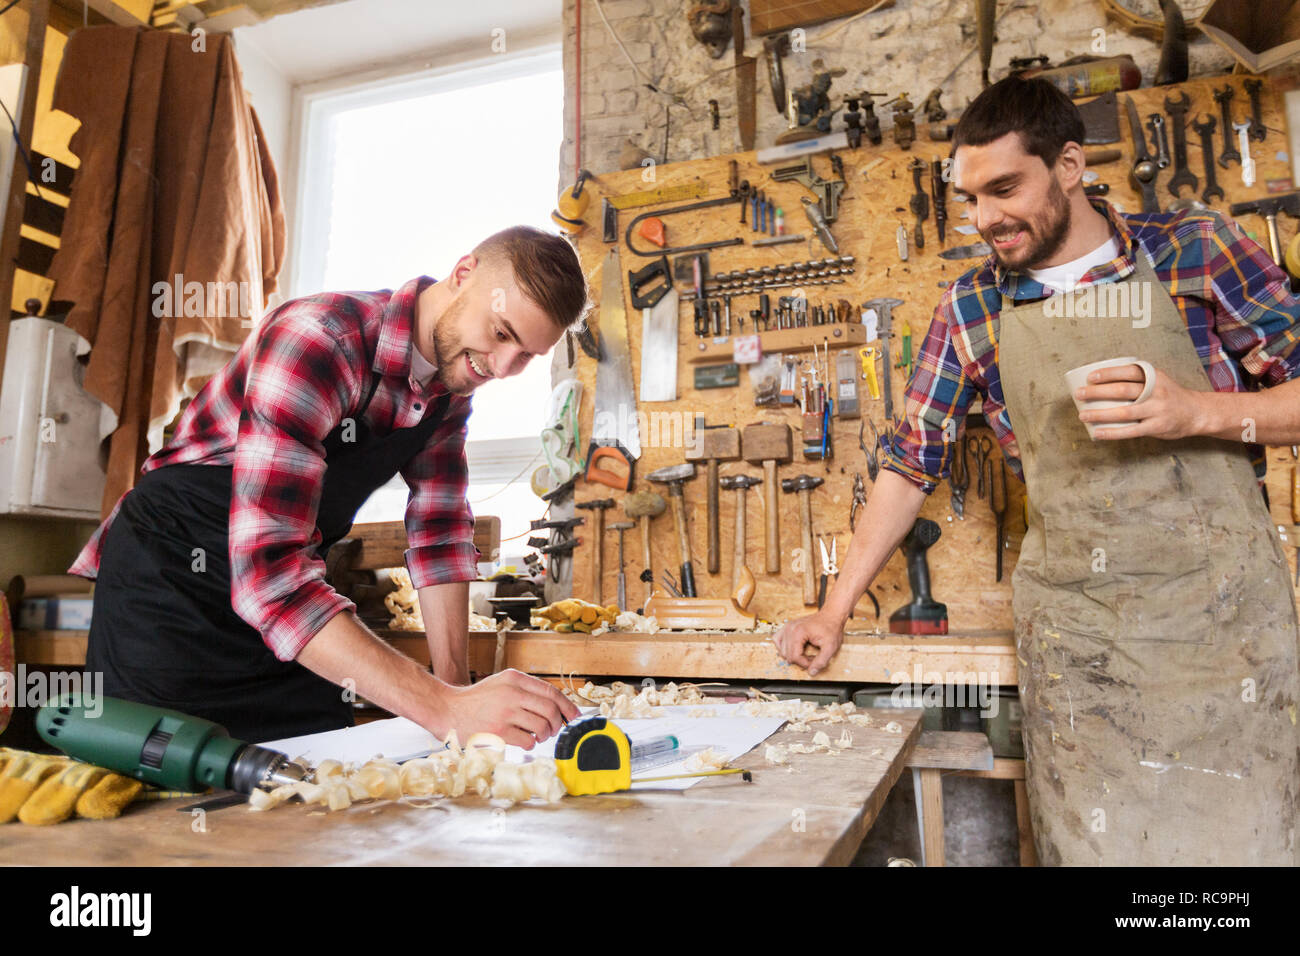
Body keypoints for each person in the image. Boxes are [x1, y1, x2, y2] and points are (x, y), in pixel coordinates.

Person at [775, 76, 1300, 865]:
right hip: (1082, 643)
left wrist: (1200, 414)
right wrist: (834, 608)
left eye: (1005, 188)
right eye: (970, 198)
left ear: (1070, 164)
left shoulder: (1198, 248)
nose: (986, 219)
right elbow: (909, 464)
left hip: (1222, 634)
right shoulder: (969, 307)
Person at [72, 225, 582, 745]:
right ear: (464, 273)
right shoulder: (317, 339)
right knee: (166, 792)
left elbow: (440, 535)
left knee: (315, 781)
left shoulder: (450, 388)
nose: (499, 367)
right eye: (500, 334)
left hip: (288, 602)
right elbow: (270, 580)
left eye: (525, 357)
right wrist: (443, 707)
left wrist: (456, 694)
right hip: (174, 584)